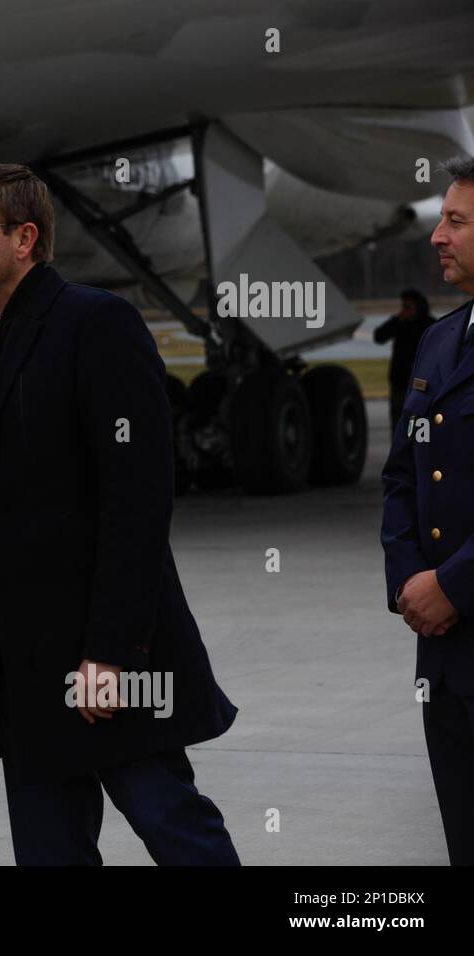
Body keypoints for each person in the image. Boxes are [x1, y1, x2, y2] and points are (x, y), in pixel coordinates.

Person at [0, 163, 239, 865]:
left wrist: (109, 652)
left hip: (108, 652)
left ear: (24, 239)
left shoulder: (96, 324)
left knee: (171, 822)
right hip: (24, 661)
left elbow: (136, 501)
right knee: (49, 851)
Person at [381, 155, 474, 865]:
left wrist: (453, 585)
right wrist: (412, 581)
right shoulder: (440, 340)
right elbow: (401, 478)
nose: (437, 236)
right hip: (443, 656)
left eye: (457, 221)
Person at [375, 289, 436, 430]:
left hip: (421, 382)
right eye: (404, 306)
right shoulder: (400, 323)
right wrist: (397, 320)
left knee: (420, 420)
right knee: (398, 420)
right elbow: (379, 336)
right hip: (400, 381)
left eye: (408, 307)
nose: (405, 310)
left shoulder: (429, 325)